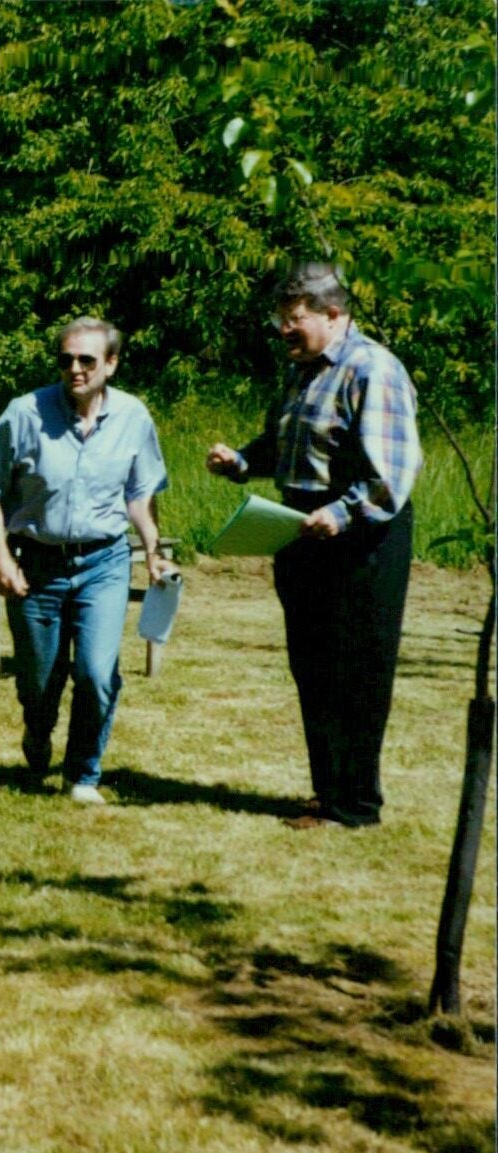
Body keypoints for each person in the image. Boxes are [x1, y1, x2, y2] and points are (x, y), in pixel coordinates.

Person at [207, 263, 422, 830]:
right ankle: (328, 793)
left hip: (361, 537)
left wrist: (343, 512)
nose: (283, 329)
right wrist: (243, 463)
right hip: (300, 527)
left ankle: (355, 806)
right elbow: (288, 444)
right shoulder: (305, 370)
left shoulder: (372, 368)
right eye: (280, 319)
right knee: (314, 665)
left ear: (333, 314)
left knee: (356, 668)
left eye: (293, 318)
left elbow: (392, 475)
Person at [0, 317, 175, 804]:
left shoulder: (133, 417)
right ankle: (37, 732)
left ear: (112, 363)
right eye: (66, 360)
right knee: (40, 682)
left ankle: (83, 773)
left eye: (86, 360)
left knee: (97, 674)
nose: (75, 369)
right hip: (37, 563)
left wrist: (152, 550)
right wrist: (1, 558)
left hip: (104, 562)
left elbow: (141, 494)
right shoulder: (24, 413)